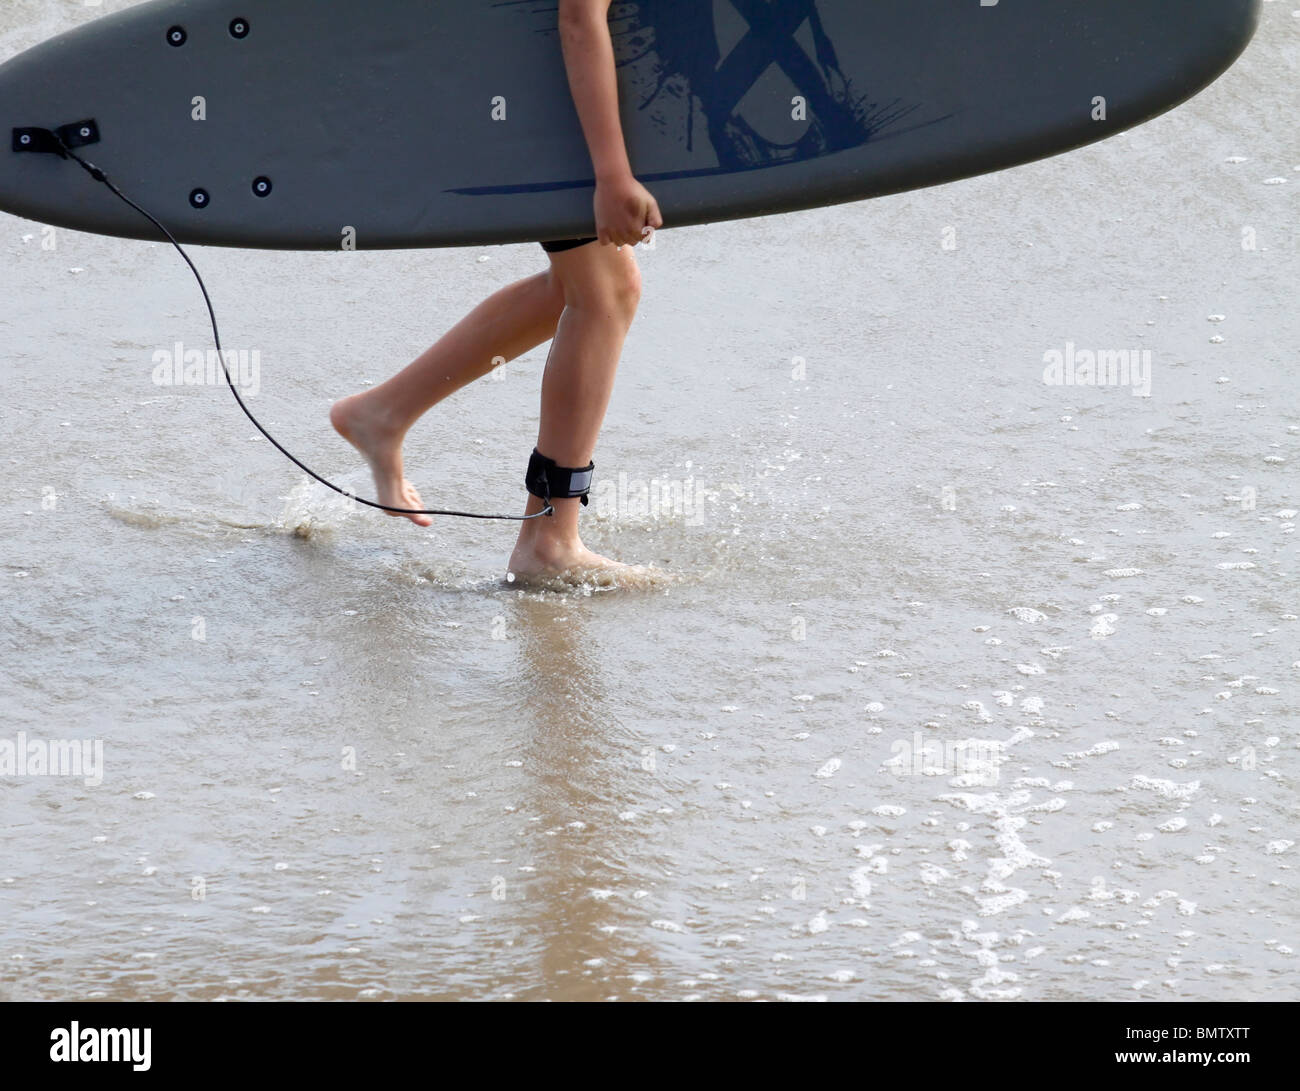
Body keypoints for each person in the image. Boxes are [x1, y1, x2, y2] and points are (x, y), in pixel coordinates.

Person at [329, 0, 662, 581]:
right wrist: (612, 174)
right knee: (607, 293)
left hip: (510, 80)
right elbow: (579, 16)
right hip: (533, 100)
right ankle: (549, 543)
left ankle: (382, 412)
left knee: (579, 288)